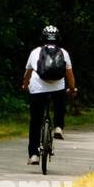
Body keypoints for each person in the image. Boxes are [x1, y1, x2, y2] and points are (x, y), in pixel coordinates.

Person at [21, 25, 77, 164]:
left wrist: (25, 85)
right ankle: (58, 126)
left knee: (35, 121)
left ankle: (34, 155)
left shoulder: (35, 52)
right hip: (57, 87)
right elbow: (69, 74)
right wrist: (72, 89)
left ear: (43, 38)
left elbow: (27, 74)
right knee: (59, 102)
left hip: (37, 89)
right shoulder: (63, 52)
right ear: (58, 38)